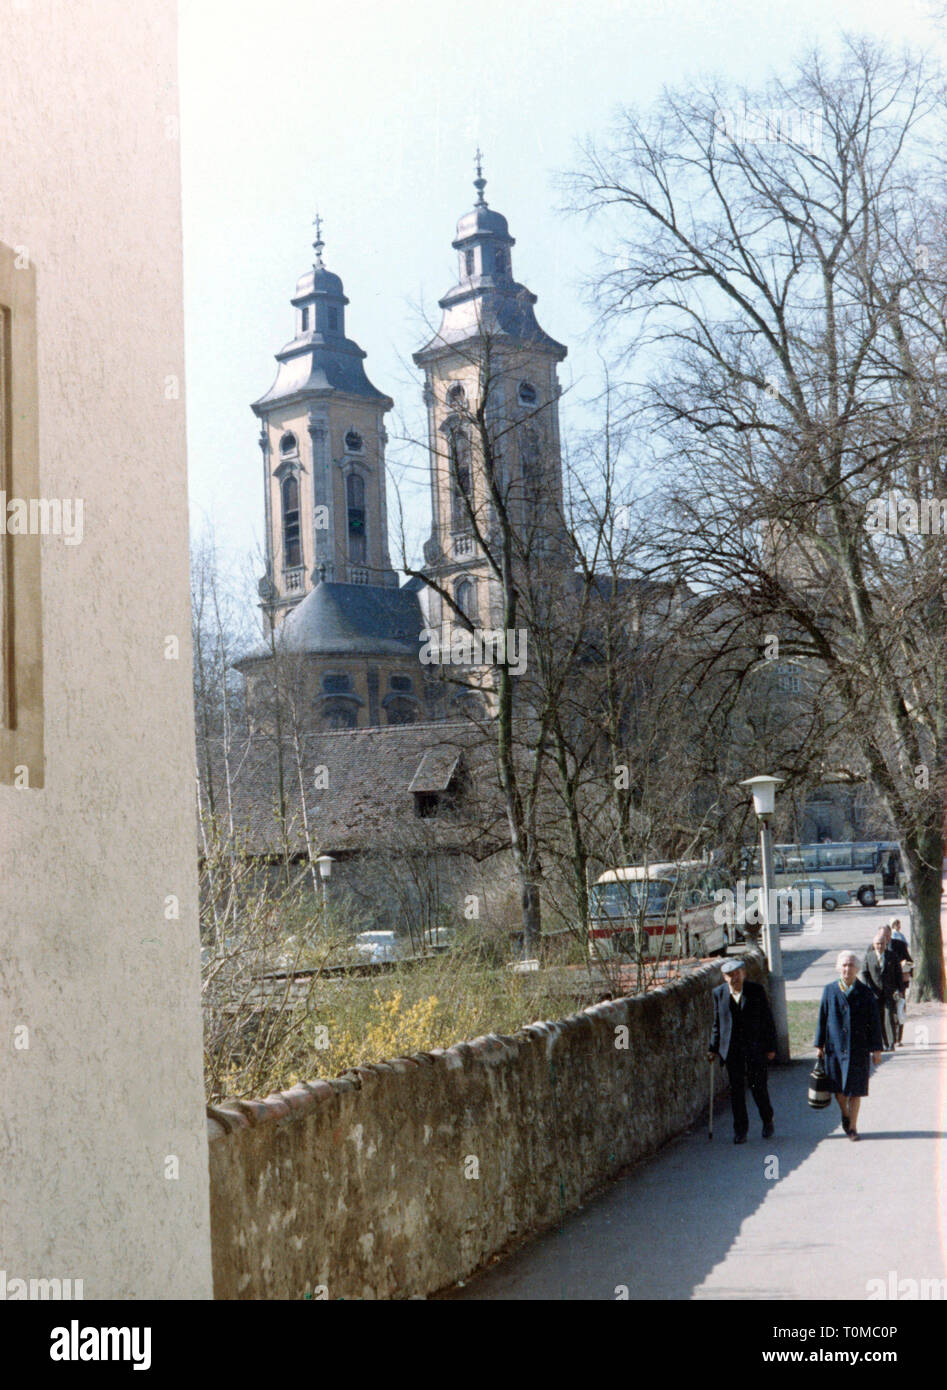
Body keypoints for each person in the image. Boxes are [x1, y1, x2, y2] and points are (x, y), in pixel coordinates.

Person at [815, 950, 883, 1141]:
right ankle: (845, 1114)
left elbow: (874, 1023)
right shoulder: (829, 990)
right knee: (838, 1090)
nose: (847, 968)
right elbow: (822, 1018)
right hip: (834, 1048)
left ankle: (852, 1127)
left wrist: (876, 1049)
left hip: (858, 1049)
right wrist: (818, 1044)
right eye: (844, 965)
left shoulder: (866, 993)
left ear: (857, 969)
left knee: (855, 1089)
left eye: (851, 965)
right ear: (838, 968)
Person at [708, 959, 776, 1144]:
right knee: (736, 1091)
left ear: (743, 974)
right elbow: (717, 1023)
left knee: (758, 1087)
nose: (734, 978)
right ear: (724, 977)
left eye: (737, 973)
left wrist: (771, 1047)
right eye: (730, 975)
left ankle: (767, 1120)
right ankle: (740, 1131)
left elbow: (767, 1020)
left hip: (755, 1048)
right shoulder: (719, 994)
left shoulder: (756, 991)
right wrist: (712, 1048)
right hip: (731, 1050)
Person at [860, 929, 902, 1051]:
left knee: (889, 1016)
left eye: (882, 944)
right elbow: (864, 973)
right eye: (877, 944)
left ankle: (891, 1043)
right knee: (878, 1018)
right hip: (875, 994)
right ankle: (882, 1043)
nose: (879, 946)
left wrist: (899, 989)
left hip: (890, 992)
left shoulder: (892, 956)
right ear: (874, 945)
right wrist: (867, 989)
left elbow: (898, 974)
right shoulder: (869, 957)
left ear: (886, 944)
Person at [886, 919, 913, 1045]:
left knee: (900, 1008)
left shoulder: (899, 945)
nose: (885, 939)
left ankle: (897, 1038)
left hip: (899, 982)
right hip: (883, 985)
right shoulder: (874, 946)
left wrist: (907, 971)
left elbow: (910, 961)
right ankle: (887, 1038)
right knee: (887, 1010)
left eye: (887, 935)